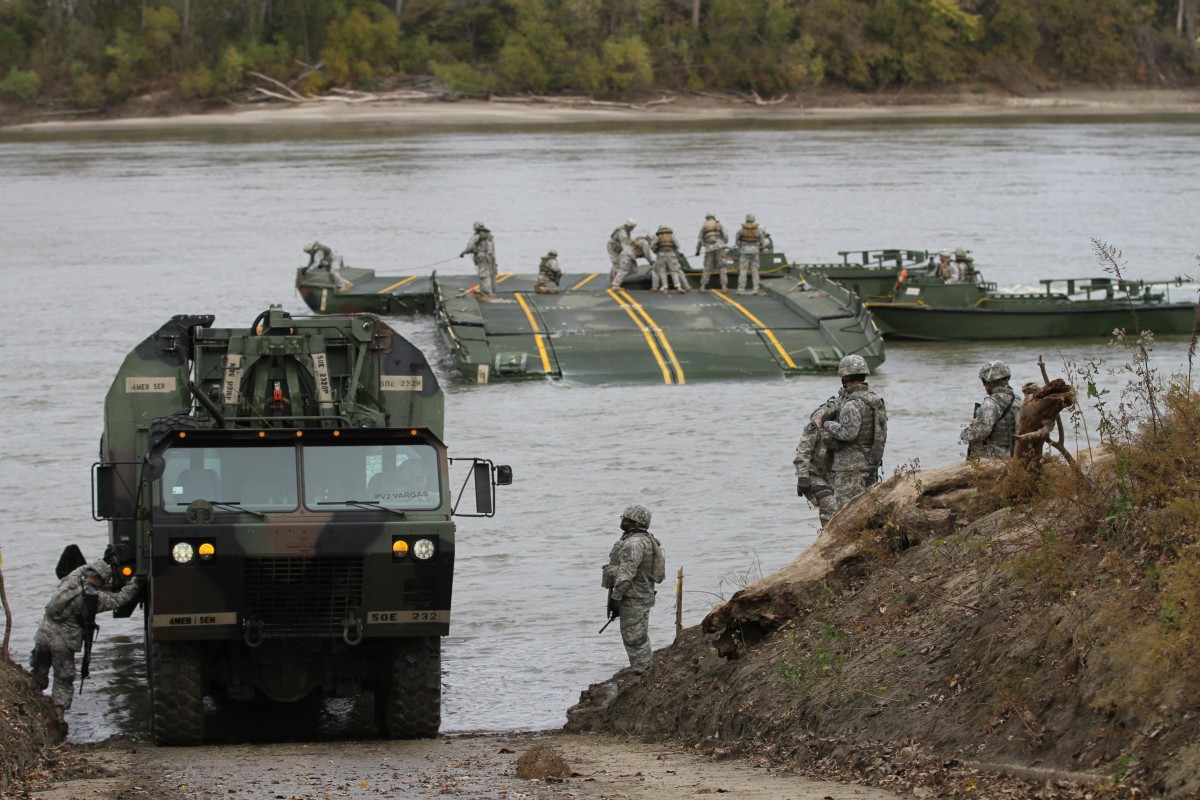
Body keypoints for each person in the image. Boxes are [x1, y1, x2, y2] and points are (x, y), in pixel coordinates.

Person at [30, 556, 141, 726]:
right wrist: (137, 580)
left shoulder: (71, 579)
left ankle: (32, 702)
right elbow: (120, 599)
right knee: (63, 679)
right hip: (63, 642)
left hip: (43, 633)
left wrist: (102, 562)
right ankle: (57, 718)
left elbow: (82, 568)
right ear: (100, 580)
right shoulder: (93, 598)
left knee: (39, 669)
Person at [815, 354, 887, 515]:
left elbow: (848, 433)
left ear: (846, 375)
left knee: (847, 515)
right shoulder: (874, 399)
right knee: (867, 512)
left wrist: (826, 422)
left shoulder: (852, 404)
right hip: (870, 464)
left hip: (850, 468)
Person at [600, 504, 664, 674]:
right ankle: (644, 670)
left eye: (626, 519)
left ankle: (643, 672)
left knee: (634, 637)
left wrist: (616, 596)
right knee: (637, 635)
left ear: (635, 523)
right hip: (640, 594)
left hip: (633, 596)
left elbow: (626, 573)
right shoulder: (643, 539)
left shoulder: (634, 543)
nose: (623, 521)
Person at [961, 361, 1021, 459]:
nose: (984, 386)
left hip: (993, 460)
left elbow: (981, 432)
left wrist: (965, 433)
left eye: (984, 382)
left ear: (992, 382)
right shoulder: (1018, 401)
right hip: (1014, 457)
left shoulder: (990, 403)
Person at [794, 395, 839, 526]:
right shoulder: (823, 415)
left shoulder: (852, 416)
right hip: (815, 475)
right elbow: (803, 449)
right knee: (832, 510)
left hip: (834, 475)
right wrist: (803, 478)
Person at [460, 221, 498, 301]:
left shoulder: (477, 236)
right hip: (491, 258)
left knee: (484, 275)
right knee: (491, 275)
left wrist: (463, 253)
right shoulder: (489, 236)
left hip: (482, 257)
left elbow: (469, 246)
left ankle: (486, 293)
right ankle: (492, 292)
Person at [650, 225, 690, 294]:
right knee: (674, 271)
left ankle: (665, 288)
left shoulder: (658, 236)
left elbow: (652, 246)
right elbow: (677, 246)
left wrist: (657, 252)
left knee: (662, 272)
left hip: (661, 255)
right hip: (671, 254)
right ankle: (678, 287)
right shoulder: (671, 236)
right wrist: (673, 251)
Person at [694, 213, 729, 291]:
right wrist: (724, 242)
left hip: (709, 248)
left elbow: (700, 240)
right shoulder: (719, 225)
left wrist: (698, 251)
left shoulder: (704, 227)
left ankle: (702, 286)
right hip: (719, 247)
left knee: (707, 267)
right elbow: (725, 235)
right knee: (722, 266)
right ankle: (724, 286)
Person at [735, 213, 768, 296]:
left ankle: (741, 289)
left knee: (743, 271)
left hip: (744, 252)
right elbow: (762, 242)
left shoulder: (741, 230)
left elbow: (737, 241)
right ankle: (756, 288)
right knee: (755, 270)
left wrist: (741, 246)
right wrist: (758, 246)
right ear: (754, 220)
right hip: (755, 252)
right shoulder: (758, 230)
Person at [607, 219, 637, 286]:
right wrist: (631, 255)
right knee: (617, 264)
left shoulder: (627, 231)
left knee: (616, 262)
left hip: (618, 248)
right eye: (632, 227)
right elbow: (625, 246)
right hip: (613, 249)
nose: (632, 229)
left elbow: (628, 242)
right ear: (628, 225)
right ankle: (615, 283)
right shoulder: (622, 233)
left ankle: (610, 278)